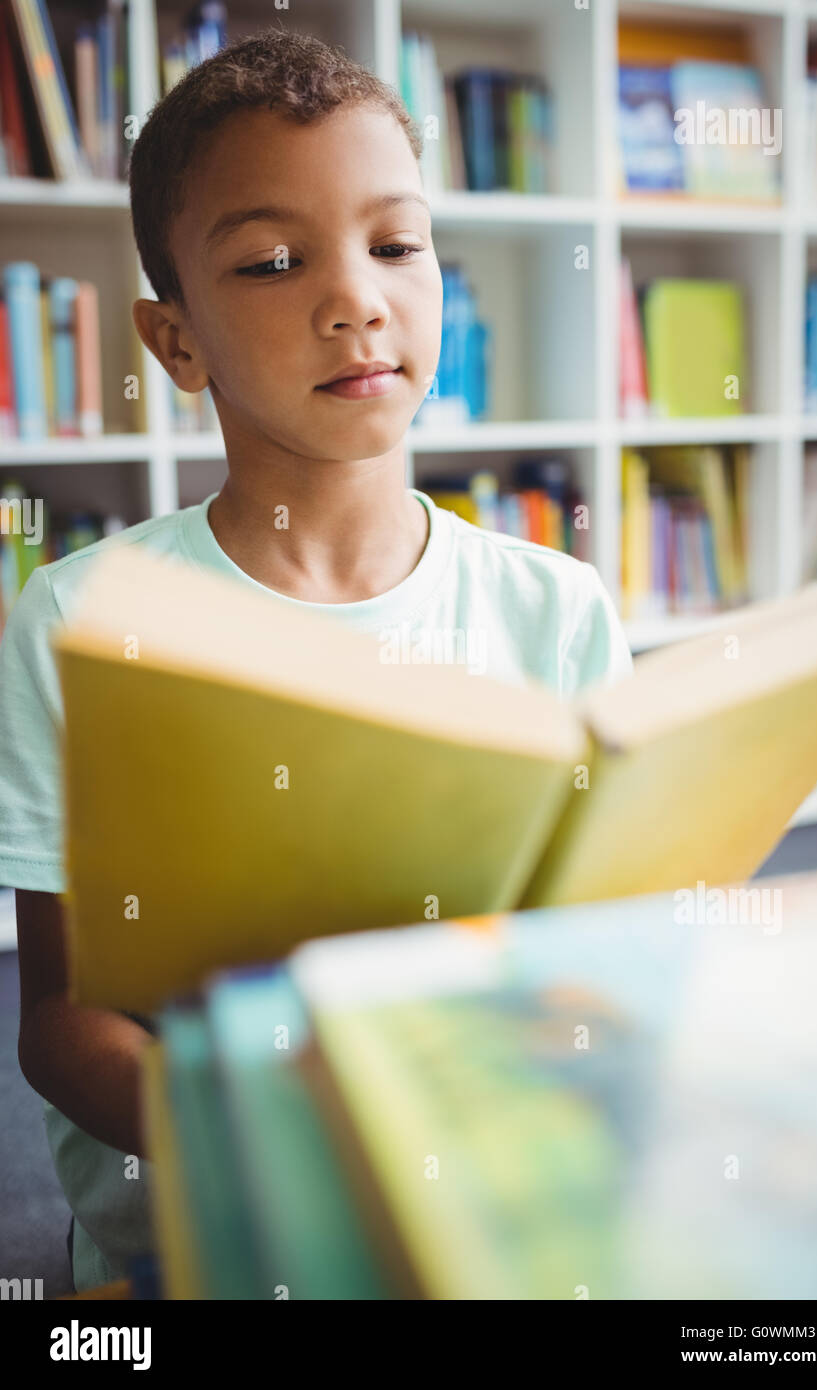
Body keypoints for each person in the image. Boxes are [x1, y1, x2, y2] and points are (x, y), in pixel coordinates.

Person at [1, 29, 632, 1293]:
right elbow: (63, 1022)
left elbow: (595, 961)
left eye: (394, 244)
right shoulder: (79, 617)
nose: (356, 299)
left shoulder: (556, 610)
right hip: (192, 1232)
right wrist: (270, 1142)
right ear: (175, 343)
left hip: (465, 1205)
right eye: (276, 261)